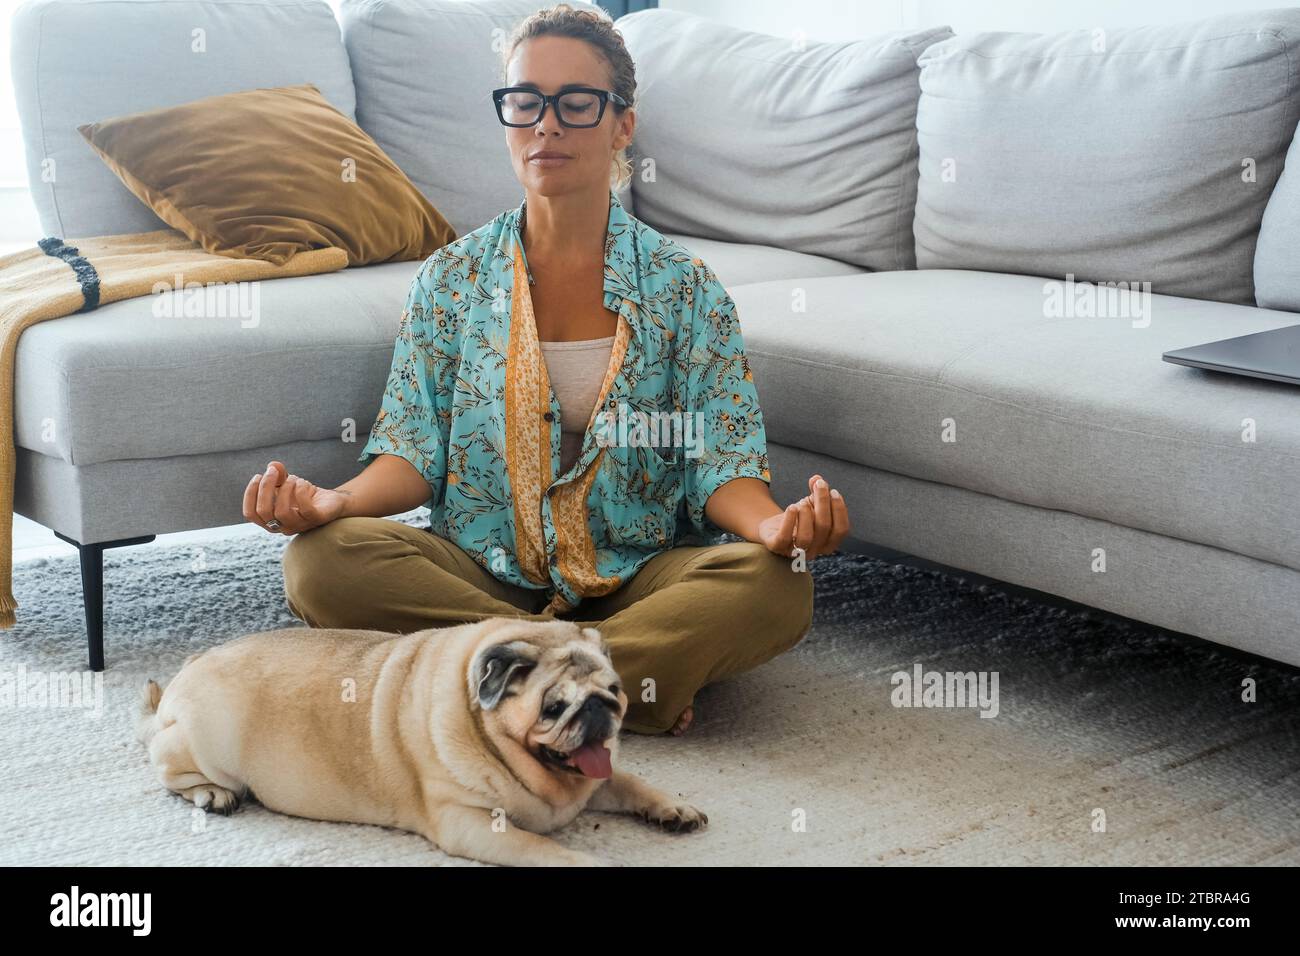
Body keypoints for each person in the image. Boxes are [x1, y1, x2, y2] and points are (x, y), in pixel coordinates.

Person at [243, 3, 850, 735]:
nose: (546, 124)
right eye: (525, 101)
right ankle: (618, 682)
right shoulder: (451, 280)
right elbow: (411, 450)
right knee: (322, 563)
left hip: (640, 576)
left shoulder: (686, 289)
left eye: (576, 103)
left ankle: (506, 676)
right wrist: (335, 503)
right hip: (483, 571)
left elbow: (722, 465)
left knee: (777, 583)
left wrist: (777, 529)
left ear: (622, 124)